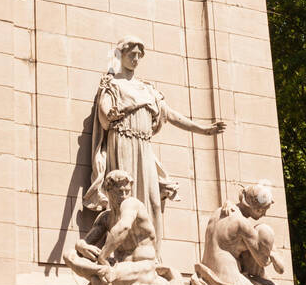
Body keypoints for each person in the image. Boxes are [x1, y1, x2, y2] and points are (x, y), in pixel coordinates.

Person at [83, 38, 226, 255]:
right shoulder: (113, 84)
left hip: (144, 146)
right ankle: (123, 254)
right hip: (123, 141)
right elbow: (105, 112)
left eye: (139, 55)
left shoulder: (147, 89)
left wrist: (204, 129)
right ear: (121, 55)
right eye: (132, 54)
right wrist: (109, 113)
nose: (136, 59)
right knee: (125, 200)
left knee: (154, 202)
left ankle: (154, 256)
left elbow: (171, 115)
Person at [66, 170, 194, 285]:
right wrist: (80, 246)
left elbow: (123, 227)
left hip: (145, 267)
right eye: (119, 191)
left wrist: (102, 257)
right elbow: (85, 242)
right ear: (108, 191)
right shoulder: (105, 218)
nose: (124, 195)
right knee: (71, 257)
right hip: (122, 268)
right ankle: (99, 274)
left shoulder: (132, 204)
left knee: (101, 277)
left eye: (127, 190)